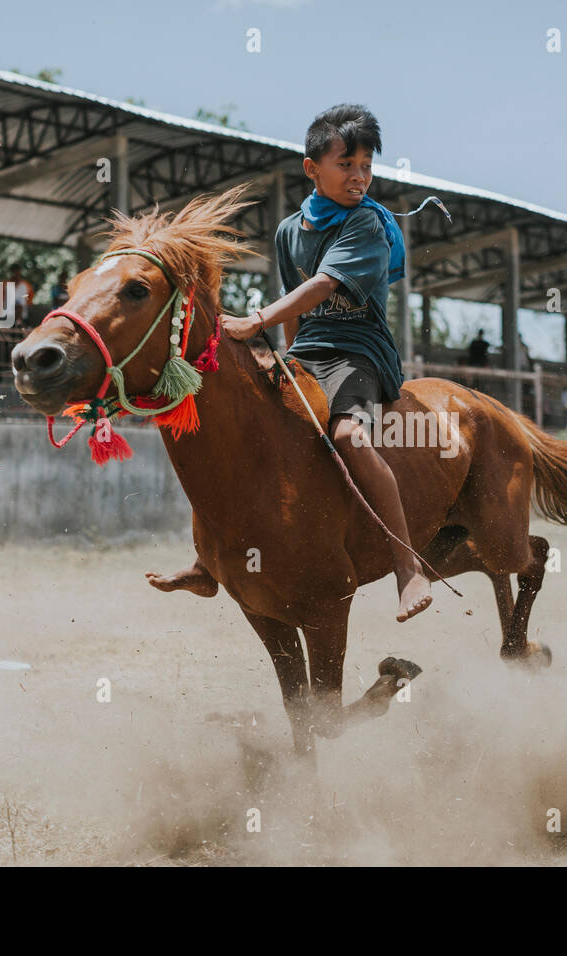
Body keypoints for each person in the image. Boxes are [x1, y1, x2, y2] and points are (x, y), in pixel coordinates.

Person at [221, 103, 429, 623]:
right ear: (312, 168)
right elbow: (300, 305)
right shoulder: (289, 230)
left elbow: (322, 287)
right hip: (308, 352)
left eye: (366, 166)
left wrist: (254, 320)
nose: (359, 176)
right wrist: (288, 362)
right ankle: (208, 559)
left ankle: (408, 568)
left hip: (359, 349)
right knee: (242, 425)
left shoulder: (366, 223)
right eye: (346, 164)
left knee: (347, 438)